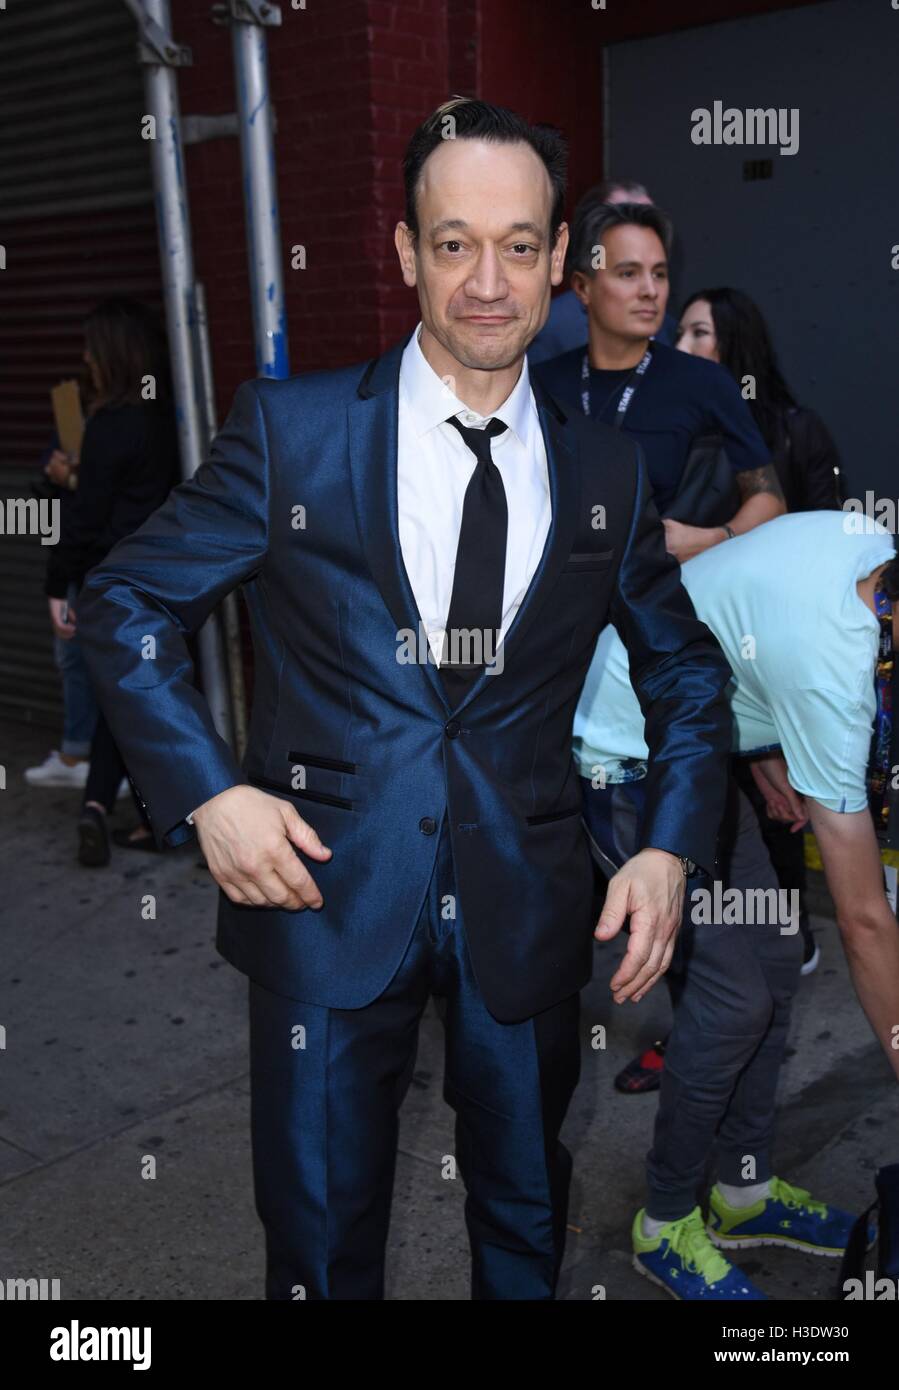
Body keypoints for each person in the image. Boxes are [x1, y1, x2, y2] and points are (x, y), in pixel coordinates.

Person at [76, 98, 734, 1302]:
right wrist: (208, 791)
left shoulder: (606, 469)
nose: (488, 282)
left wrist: (670, 851)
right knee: (321, 1247)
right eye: (452, 243)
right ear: (401, 252)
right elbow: (124, 603)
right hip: (323, 892)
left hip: (528, 905)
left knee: (524, 1225)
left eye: (520, 245)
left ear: (560, 267)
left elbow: (685, 668)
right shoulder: (298, 433)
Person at [577, 511, 898, 1298]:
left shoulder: (873, 547)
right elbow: (861, 920)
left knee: (775, 961)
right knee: (731, 1002)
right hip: (620, 754)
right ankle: (663, 1224)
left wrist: (758, 737)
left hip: (697, 743)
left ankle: (742, 1190)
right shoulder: (829, 664)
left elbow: (739, 594)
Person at [532, 200, 786, 562]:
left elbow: (771, 500)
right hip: (559, 593)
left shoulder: (704, 381)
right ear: (583, 287)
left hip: (661, 591)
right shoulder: (541, 383)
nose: (650, 290)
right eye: (628, 273)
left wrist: (713, 538)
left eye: (660, 274)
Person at [44, 297, 180, 867]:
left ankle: (134, 815)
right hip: (165, 582)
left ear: (113, 355)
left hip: (111, 584)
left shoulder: (109, 424)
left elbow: (87, 518)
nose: (84, 359)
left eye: (92, 348)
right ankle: (106, 810)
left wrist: (57, 584)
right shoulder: (167, 419)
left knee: (130, 705)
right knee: (133, 700)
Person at [676, 287, 843, 513]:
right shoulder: (675, 424)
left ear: (736, 341)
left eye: (699, 333)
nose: (680, 347)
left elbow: (827, 524)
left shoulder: (797, 431)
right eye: (679, 334)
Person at [528, 178, 678, 363]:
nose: (641, 233)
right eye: (621, 217)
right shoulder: (553, 327)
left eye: (658, 275)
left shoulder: (670, 328)